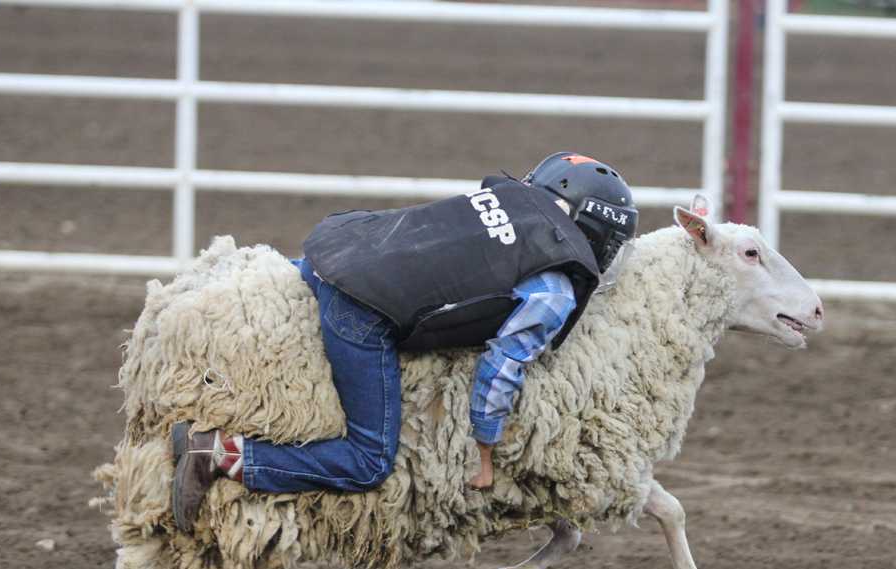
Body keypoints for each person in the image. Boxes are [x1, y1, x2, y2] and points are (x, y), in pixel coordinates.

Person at [170, 152, 638, 533]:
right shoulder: (553, 289)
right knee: (369, 461)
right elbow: (502, 366)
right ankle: (217, 454)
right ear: (595, 232)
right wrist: (485, 450)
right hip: (361, 308)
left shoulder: (504, 197)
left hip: (336, 246)